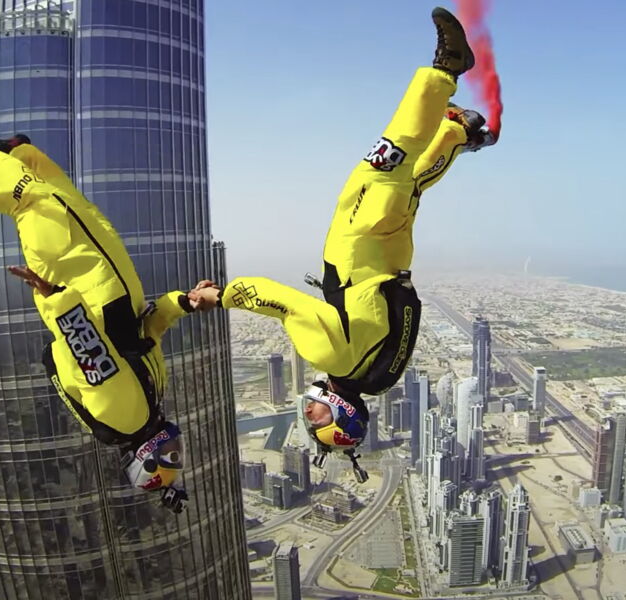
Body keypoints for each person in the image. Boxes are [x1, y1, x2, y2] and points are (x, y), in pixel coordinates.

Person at [194, 7, 497, 481]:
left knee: (408, 185)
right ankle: (445, 71)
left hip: (393, 264)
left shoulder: (377, 378)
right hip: (359, 251)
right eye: (316, 417)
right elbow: (279, 302)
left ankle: (460, 131)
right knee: (384, 164)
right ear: (340, 411)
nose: (306, 410)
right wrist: (221, 297)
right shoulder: (331, 358)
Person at [0, 118, 220, 512]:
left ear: (144, 458)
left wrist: (57, 299)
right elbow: (149, 330)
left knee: (31, 200)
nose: (175, 446)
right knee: (67, 200)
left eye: (168, 456)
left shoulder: (128, 417)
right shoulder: (148, 405)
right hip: (102, 275)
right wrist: (186, 301)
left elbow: (89, 352)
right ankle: (13, 153)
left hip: (81, 287)